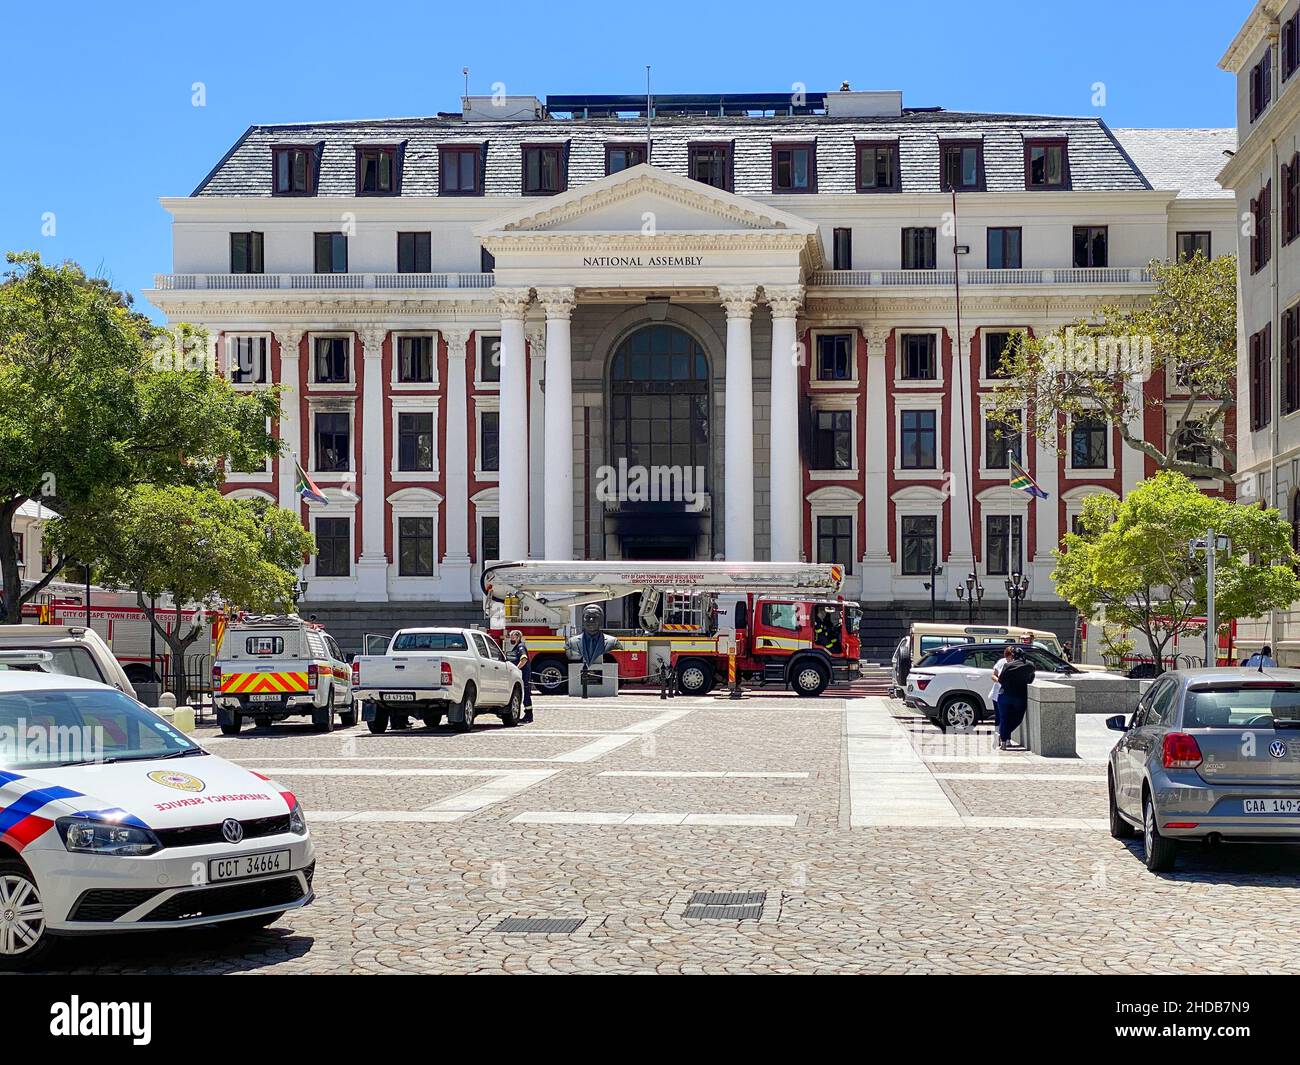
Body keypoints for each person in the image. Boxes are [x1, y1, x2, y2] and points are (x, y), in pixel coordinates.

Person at [997, 647, 1036, 750]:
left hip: (1005, 694)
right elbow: (1031, 679)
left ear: (1013, 656)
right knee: (1017, 719)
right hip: (1020, 695)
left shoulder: (1007, 665)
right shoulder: (1030, 665)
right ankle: (1004, 735)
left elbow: (1000, 679)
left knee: (1004, 718)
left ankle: (1003, 741)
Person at [505, 629, 534, 723]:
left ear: (517, 637)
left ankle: (529, 715)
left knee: (526, 695)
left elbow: (524, 659)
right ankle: (528, 714)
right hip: (523, 675)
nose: (511, 639)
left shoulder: (521, 647)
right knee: (525, 694)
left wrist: (516, 669)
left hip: (524, 675)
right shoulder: (518, 647)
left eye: (512, 637)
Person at [990, 644, 1014, 745]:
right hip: (998, 693)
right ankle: (997, 737)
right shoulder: (1001, 662)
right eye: (1008, 656)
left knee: (1008, 716)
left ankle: (1007, 738)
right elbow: (993, 676)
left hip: (1010, 694)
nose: (1009, 658)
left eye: (1011, 656)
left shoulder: (1017, 663)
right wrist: (999, 681)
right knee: (999, 716)